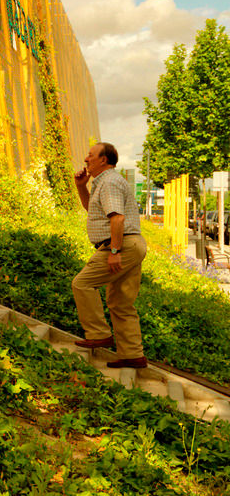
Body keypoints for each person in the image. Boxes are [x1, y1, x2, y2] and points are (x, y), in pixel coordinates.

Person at [71, 141, 148, 369]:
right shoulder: (103, 182)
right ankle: (132, 354)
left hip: (120, 245)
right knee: (121, 303)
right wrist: (81, 187)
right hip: (131, 244)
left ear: (103, 160)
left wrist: (114, 251)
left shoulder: (110, 182)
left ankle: (98, 334)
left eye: (90, 155)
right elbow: (94, 211)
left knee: (82, 284)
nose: (86, 159)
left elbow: (117, 219)